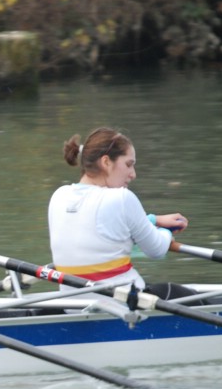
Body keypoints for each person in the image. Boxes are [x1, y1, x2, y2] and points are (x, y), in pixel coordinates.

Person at [49, 127, 191, 299]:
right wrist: (165, 233)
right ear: (106, 162)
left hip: (71, 306)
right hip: (122, 302)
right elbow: (157, 249)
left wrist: (153, 220)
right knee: (188, 297)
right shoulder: (121, 198)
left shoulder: (59, 196)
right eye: (128, 165)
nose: (133, 174)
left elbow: (100, 233)